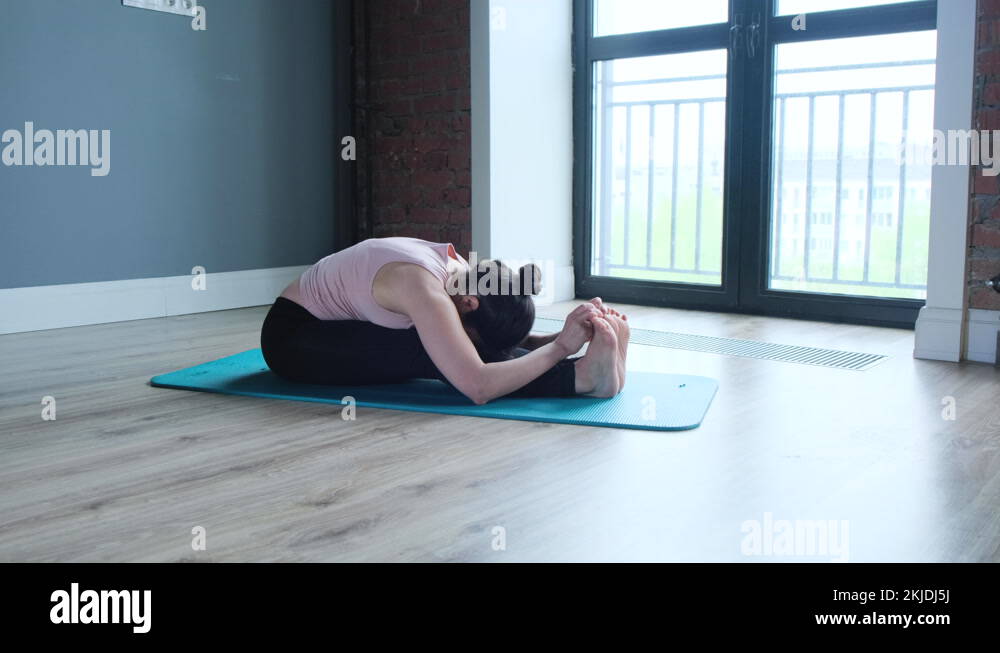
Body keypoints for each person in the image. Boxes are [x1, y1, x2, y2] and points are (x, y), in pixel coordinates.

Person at [260, 237, 629, 405]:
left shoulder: (466, 279)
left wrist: (564, 337)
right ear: (469, 303)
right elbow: (478, 386)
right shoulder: (424, 288)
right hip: (293, 340)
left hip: (337, 328)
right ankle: (580, 378)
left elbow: (484, 336)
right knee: (438, 353)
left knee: (454, 344)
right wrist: (563, 350)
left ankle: (590, 369)